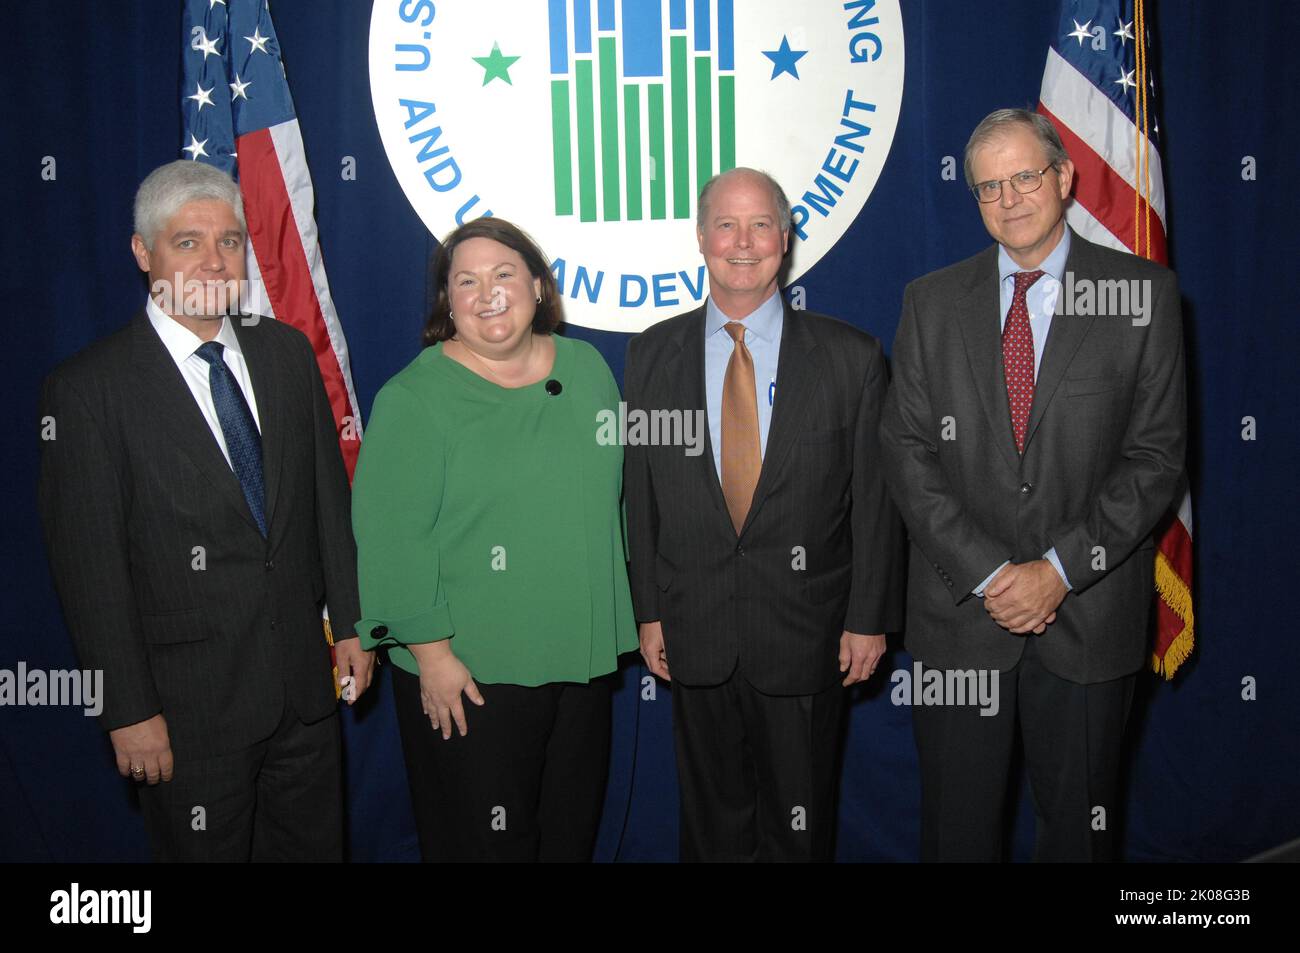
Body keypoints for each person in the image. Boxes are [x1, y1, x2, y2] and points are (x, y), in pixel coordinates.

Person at [37, 159, 373, 862]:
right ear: (143, 253)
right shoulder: (88, 392)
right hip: (185, 715)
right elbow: (90, 571)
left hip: (304, 698)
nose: (215, 260)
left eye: (230, 240)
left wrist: (350, 623)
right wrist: (127, 710)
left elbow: (325, 504)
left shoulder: (285, 354)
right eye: (188, 241)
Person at [880, 109, 1187, 861]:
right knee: (956, 835)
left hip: (1087, 619)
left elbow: (1155, 459)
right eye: (990, 186)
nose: (1009, 198)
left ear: (1064, 177)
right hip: (960, 625)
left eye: (1025, 176)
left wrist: (1057, 571)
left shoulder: (1141, 295)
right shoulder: (930, 300)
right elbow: (907, 450)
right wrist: (991, 572)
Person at [623, 167, 904, 862]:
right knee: (711, 825)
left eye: (758, 225)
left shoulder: (852, 356)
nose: (741, 242)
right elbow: (642, 494)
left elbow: (875, 500)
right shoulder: (651, 352)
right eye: (725, 223)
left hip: (809, 634)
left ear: (785, 237)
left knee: (798, 826)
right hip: (695, 627)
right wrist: (649, 610)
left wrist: (868, 616)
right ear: (700, 237)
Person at [352, 217, 637, 862]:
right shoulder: (414, 397)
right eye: (467, 281)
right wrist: (432, 657)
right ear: (448, 303)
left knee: (568, 838)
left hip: (579, 656)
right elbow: (390, 536)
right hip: (470, 674)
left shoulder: (588, 367)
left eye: (504, 274)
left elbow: (613, 501)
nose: (490, 293)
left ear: (537, 285)